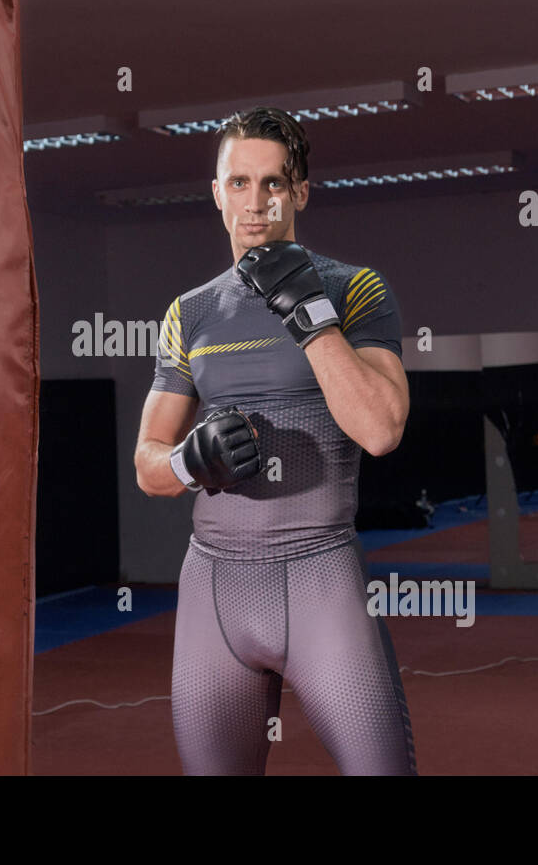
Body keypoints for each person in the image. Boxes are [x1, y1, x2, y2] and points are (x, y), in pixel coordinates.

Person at [133, 106, 416, 775]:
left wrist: (313, 321)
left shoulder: (354, 289)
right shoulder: (190, 312)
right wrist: (187, 459)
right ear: (216, 192)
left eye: (273, 184)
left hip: (320, 578)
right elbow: (148, 465)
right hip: (214, 587)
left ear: (301, 192)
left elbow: (381, 430)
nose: (255, 203)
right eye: (238, 183)